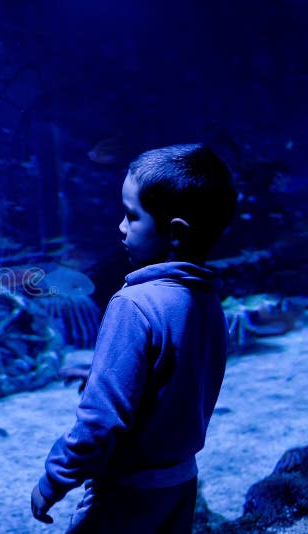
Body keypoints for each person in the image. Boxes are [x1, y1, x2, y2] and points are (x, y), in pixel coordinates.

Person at [31, 143, 237, 532]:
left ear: (175, 232)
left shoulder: (134, 305)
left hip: (124, 493)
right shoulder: (208, 302)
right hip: (180, 485)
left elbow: (100, 421)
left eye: (132, 216)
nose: (121, 227)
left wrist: (55, 478)